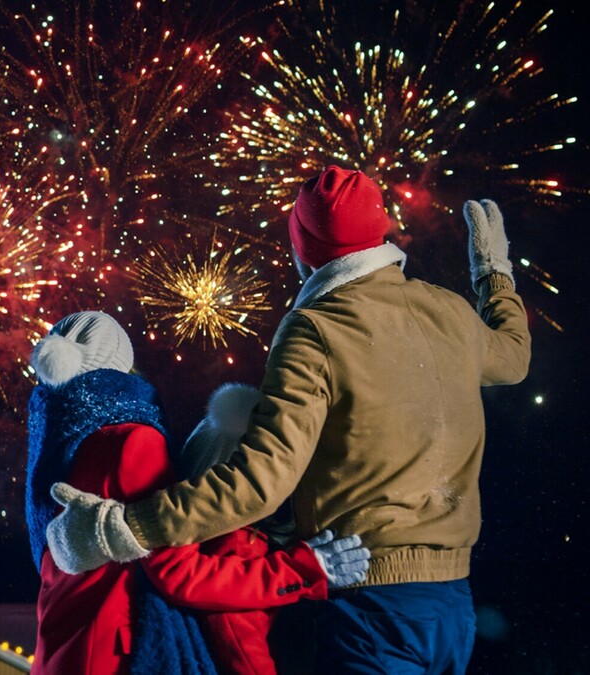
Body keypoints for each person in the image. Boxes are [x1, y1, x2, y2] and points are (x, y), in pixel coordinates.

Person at [44, 166, 531, 673]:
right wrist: (494, 274)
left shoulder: (317, 327)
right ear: (381, 228)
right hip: (453, 603)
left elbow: (261, 481)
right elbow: (513, 358)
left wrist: (124, 528)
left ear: (304, 249)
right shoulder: (449, 311)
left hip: (371, 603)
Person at [27, 311, 369, 675]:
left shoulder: (51, 447)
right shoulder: (134, 440)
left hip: (60, 652)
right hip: (113, 656)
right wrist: (301, 569)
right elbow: (177, 571)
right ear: (122, 364)